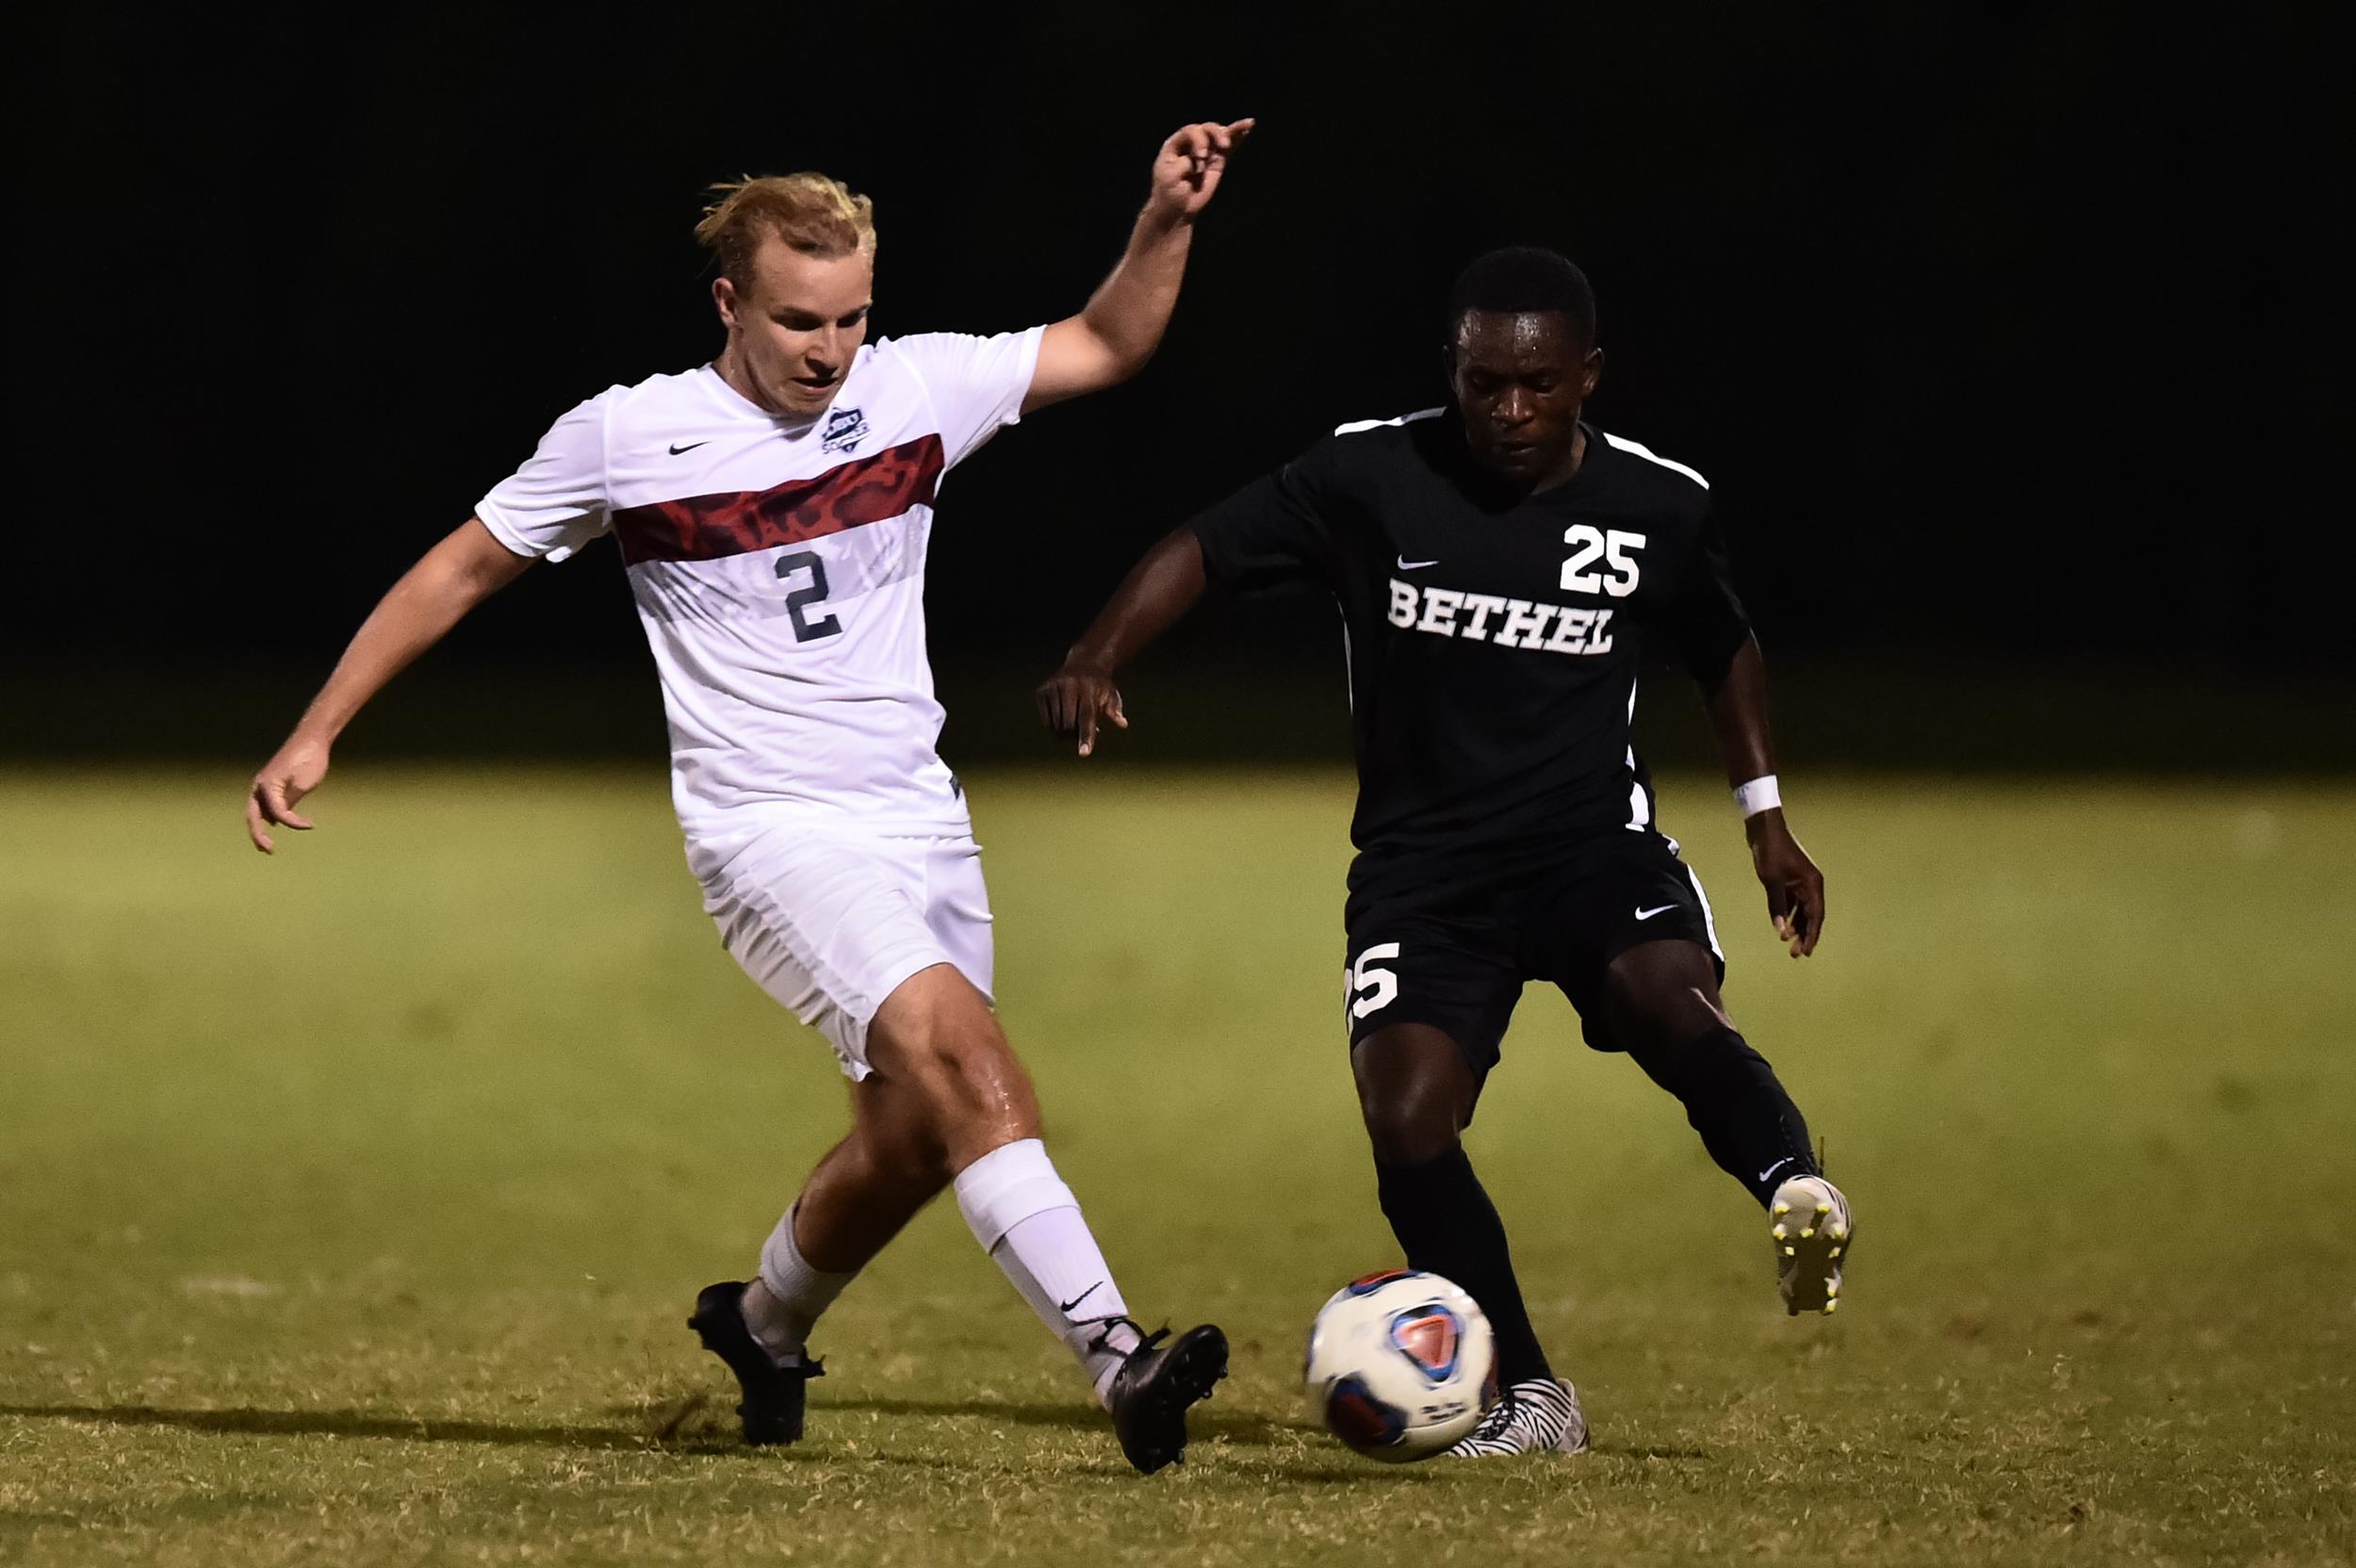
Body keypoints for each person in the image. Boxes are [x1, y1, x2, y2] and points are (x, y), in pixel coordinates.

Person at [245, 120, 1254, 1476]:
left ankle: (765, 1326)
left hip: (920, 822)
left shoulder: (918, 390)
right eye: (795, 320)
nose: (826, 350)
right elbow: (460, 571)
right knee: (978, 1074)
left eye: (848, 320)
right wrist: (319, 729)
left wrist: (1166, 219)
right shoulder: (630, 434)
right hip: (769, 836)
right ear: (728, 299)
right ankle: (1117, 1358)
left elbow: (1105, 343)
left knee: (911, 1137)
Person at [1036, 246, 1855, 1459]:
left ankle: (1792, 1183)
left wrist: (1767, 818)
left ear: (1588, 375)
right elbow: (1206, 543)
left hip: (1592, 848)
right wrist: (1097, 653)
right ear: (1453, 371)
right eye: (1484, 383)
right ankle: (1531, 1392)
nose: (1509, 411)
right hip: (1428, 875)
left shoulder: (1658, 503)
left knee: (1664, 999)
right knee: (1407, 1114)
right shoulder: (1373, 472)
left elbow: (1720, 641)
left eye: (1538, 384)